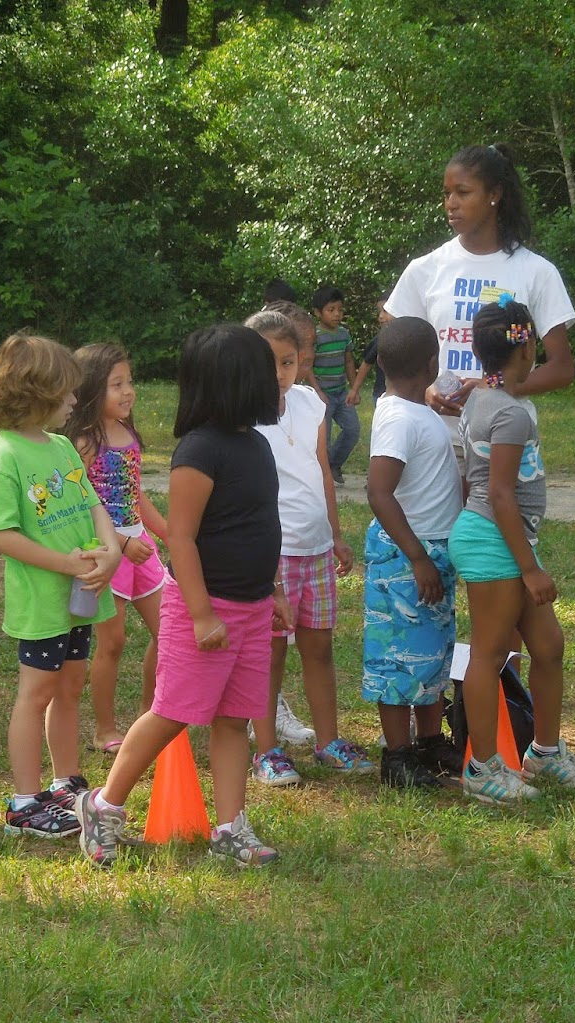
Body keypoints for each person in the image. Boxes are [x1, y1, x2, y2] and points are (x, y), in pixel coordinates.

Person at [76, 324, 291, 868]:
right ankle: (103, 806)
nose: (275, 382)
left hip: (251, 608)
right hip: (206, 610)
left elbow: (260, 526)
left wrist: (274, 591)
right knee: (172, 712)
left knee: (234, 718)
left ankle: (230, 828)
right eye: (265, 372)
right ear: (236, 383)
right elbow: (184, 538)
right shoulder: (199, 452)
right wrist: (199, 614)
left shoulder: (257, 445)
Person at [0, 333, 123, 839]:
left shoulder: (61, 446)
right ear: (36, 394)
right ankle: (24, 800)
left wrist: (112, 549)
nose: (74, 402)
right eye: (65, 393)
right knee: (36, 693)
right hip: (43, 602)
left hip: (79, 596)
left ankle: (65, 783)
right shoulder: (4, 457)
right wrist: (67, 564)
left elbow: (92, 504)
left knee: (70, 687)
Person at [452, 299, 575, 805]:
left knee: (549, 647)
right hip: (494, 539)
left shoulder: (483, 397)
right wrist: (530, 569)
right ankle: (481, 767)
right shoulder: (509, 413)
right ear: (528, 346)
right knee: (489, 655)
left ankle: (544, 754)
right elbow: (502, 494)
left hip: (502, 538)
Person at [246, 307, 373, 786]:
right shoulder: (244, 418)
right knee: (271, 652)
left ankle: (328, 741)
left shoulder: (310, 404)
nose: (277, 373)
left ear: (299, 360)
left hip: (316, 549)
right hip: (271, 555)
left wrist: (336, 535)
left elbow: (323, 471)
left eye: (286, 361)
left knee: (318, 648)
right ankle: (267, 750)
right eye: (266, 362)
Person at [385, 144, 575, 432]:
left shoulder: (536, 272)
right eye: (446, 193)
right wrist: (424, 391)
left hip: (503, 440)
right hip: (434, 438)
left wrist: (493, 386)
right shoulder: (425, 269)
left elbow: (562, 368)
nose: (451, 203)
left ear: (495, 195)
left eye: (463, 192)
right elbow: (393, 361)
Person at [362, 317, 465, 788]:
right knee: (396, 657)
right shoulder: (400, 420)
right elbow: (380, 492)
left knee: (430, 655)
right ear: (432, 363)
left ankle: (427, 742)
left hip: (431, 549)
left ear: (380, 363)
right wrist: (419, 558)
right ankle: (398, 755)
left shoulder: (408, 406)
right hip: (407, 555)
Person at [63, 342, 168, 754]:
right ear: (92, 390)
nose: (128, 391)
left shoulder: (129, 434)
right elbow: (80, 505)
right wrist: (121, 543)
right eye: (116, 384)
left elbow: (134, 493)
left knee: (170, 632)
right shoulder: (84, 443)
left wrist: (168, 533)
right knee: (112, 642)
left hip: (140, 546)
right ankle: (104, 728)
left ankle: (150, 715)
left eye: (130, 382)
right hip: (107, 551)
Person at [304, 285, 362, 485]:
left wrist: (354, 389)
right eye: (331, 310)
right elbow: (308, 366)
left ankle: (334, 465)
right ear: (318, 312)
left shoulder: (344, 334)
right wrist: (317, 391)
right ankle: (321, 477)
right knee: (323, 441)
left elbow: (348, 361)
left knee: (353, 430)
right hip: (322, 396)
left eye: (340, 309)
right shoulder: (315, 336)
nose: (337, 314)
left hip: (341, 393)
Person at [348, 291, 393, 406]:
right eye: (379, 311)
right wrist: (354, 390)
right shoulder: (380, 339)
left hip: (405, 395)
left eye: (385, 311)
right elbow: (366, 364)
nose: (380, 316)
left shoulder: (412, 338)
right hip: (381, 395)